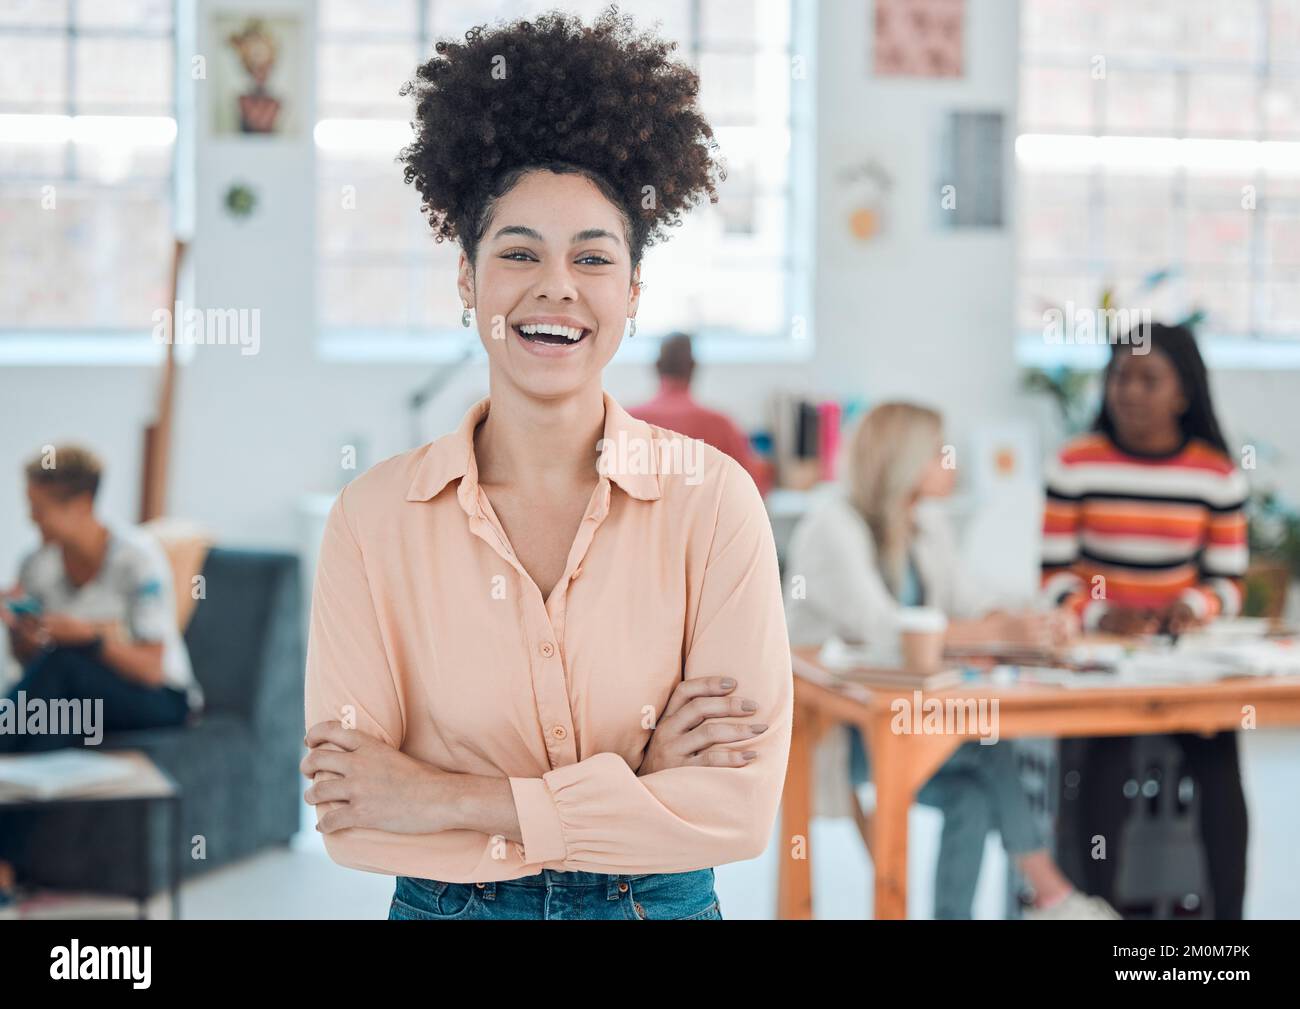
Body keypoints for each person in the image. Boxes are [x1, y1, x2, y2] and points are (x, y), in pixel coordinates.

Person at [301, 8, 792, 922]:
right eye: (518, 251)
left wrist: (445, 796)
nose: (556, 286)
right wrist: (635, 786)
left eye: (593, 257)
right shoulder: (372, 520)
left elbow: (737, 810)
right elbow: (354, 819)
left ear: (632, 292)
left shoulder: (713, 503)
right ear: (467, 280)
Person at [785, 402, 1118, 919]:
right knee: (988, 746)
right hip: (843, 727)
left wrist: (1027, 622)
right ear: (904, 460)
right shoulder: (831, 526)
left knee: (973, 797)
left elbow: (969, 600)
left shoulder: (926, 524)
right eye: (940, 453)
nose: (952, 462)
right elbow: (887, 630)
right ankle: (1052, 895)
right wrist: (994, 631)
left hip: (907, 720)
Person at [1042, 322, 1250, 918]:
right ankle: (1102, 912)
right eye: (1120, 378)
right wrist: (1103, 614)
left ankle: (1229, 925)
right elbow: (1053, 578)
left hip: (1184, 663)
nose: (1129, 392)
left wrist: (1194, 608)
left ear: (1183, 392)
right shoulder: (1075, 465)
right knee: (1104, 761)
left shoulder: (1216, 476)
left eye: (1148, 380)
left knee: (1219, 765)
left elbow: (1228, 584)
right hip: (1104, 662)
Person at [0, 445, 202, 906]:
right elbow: (30, 662)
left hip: (159, 697)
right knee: (52, 718)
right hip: (75, 700)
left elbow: (152, 668)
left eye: (40, 510)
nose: (35, 522)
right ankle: (6, 869)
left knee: (65, 664)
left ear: (81, 505)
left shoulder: (137, 559)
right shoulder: (38, 564)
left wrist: (88, 638)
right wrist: (19, 629)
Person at [628, 333, 774, 496]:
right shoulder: (721, 425)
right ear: (693, 367)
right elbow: (752, 486)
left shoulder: (626, 421)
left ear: (657, 366)